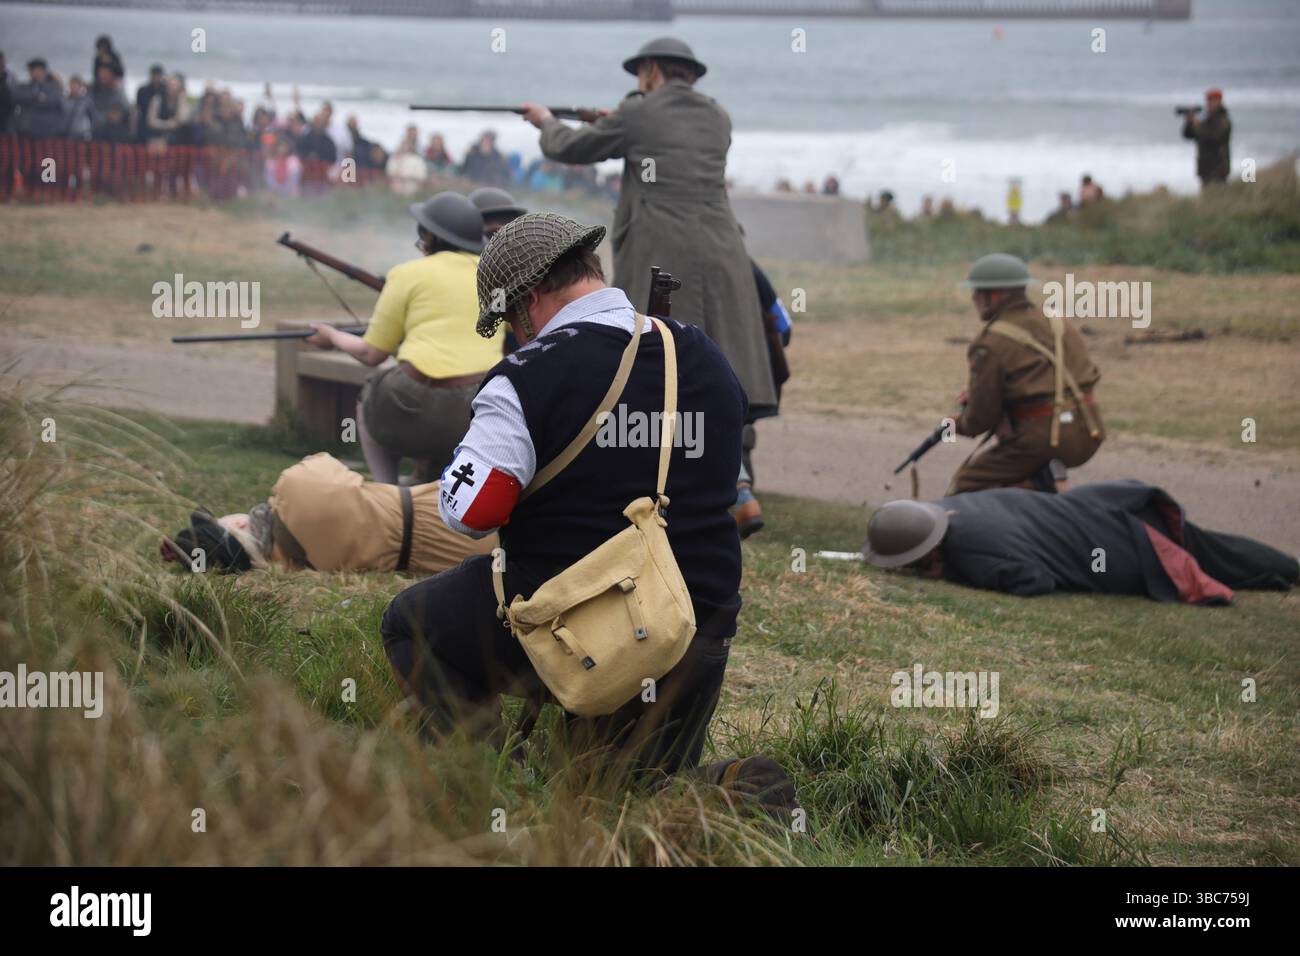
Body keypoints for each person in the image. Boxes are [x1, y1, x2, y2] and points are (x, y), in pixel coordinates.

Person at [379, 212, 754, 782]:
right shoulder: (703, 356)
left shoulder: (526, 376)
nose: (515, 331)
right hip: (696, 629)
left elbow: (474, 514)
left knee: (412, 623)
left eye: (509, 316)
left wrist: (469, 453)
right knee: (622, 800)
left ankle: (485, 779)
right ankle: (730, 794)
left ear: (529, 298)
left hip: (579, 626)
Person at [521, 37, 778, 525]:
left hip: (662, 249)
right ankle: (737, 480)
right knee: (720, 359)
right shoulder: (718, 116)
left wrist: (546, 122)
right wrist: (619, 120)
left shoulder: (638, 112)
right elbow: (667, 141)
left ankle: (716, 483)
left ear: (652, 71)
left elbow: (572, 148)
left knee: (656, 363)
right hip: (722, 250)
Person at [305, 192, 500, 485]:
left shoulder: (407, 273)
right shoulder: (495, 277)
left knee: (371, 394)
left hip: (409, 402)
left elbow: (371, 354)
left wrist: (331, 336)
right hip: (477, 412)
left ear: (430, 237)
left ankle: (387, 491)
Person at [862, 481, 1297, 605]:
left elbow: (1034, 581)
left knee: (1224, 562)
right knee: (1221, 552)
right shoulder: (950, 506)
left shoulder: (973, 549)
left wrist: (959, 574)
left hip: (1123, 546)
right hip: (1107, 506)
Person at [159, 453, 496, 575]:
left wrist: (190, 551)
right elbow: (331, 464)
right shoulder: (296, 486)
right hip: (446, 505)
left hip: (447, 558)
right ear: (238, 523)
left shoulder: (293, 564)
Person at [946, 253, 1104, 496]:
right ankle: (1043, 486)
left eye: (977, 292)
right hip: (1088, 429)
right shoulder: (1057, 320)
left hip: (1042, 439)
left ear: (995, 296)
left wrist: (951, 426)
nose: (973, 298)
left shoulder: (990, 343)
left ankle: (1041, 488)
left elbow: (980, 420)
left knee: (966, 484)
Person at [1182, 88, 1232, 188]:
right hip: (1206, 169)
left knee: (1216, 198)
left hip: (1218, 170)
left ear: (1218, 101)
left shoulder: (1223, 121)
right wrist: (1189, 123)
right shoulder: (1209, 120)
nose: (1208, 104)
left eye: (1211, 101)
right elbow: (1188, 135)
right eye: (1208, 101)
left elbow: (1213, 138)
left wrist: (1197, 125)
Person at [12, 58, 65, 139]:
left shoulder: (53, 87)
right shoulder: (26, 86)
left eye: (34, 70)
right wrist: (38, 97)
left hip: (48, 133)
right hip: (28, 133)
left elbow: (52, 102)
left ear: (42, 70)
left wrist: (33, 99)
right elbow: (17, 96)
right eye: (31, 70)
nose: (31, 73)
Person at [134, 64, 165, 141]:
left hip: (161, 124)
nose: (156, 78)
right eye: (154, 75)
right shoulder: (142, 90)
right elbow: (137, 108)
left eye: (157, 75)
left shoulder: (165, 90)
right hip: (144, 123)